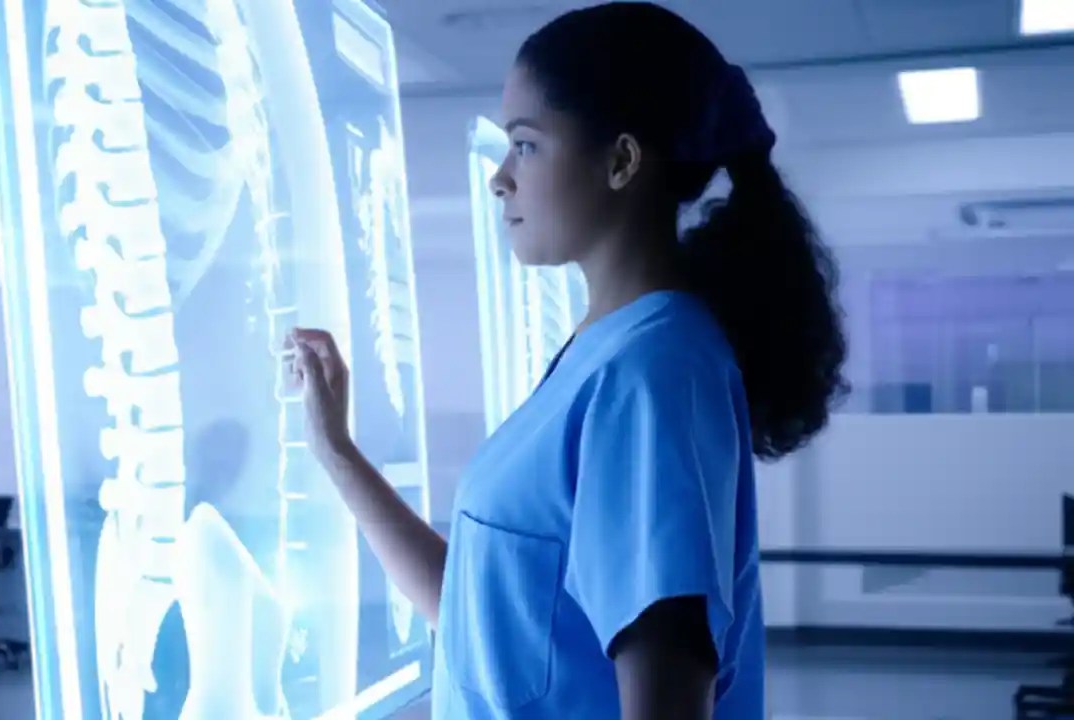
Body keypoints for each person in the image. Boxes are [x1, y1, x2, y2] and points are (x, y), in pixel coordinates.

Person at [286, 2, 848, 718]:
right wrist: (336, 451)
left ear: (620, 161)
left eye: (525, 145)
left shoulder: (654, 375)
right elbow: (476, 617)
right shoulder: (608, 352)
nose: (500, 178)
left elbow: (667, 700)